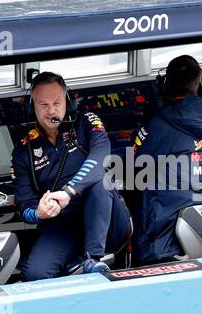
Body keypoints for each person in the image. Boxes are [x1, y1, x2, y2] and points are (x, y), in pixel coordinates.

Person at [12, 71, 130, 279]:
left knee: (101, 180)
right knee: (36, 273)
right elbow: (25, 207)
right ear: (32, 108)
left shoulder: (87, 123)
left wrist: (69, 191)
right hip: (64, 224)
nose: (51, 110)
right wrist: (39, 213)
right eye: (43, 105)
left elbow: (101, 157)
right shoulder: (24, 150)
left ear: (68, 102)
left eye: (57, 103)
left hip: (108, 219)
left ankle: (93, 258)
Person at [132, 55, 202, 263]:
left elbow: (136, 164)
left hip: (172, 232)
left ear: (165, 86)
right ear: (200, 84)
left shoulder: (158, 122)